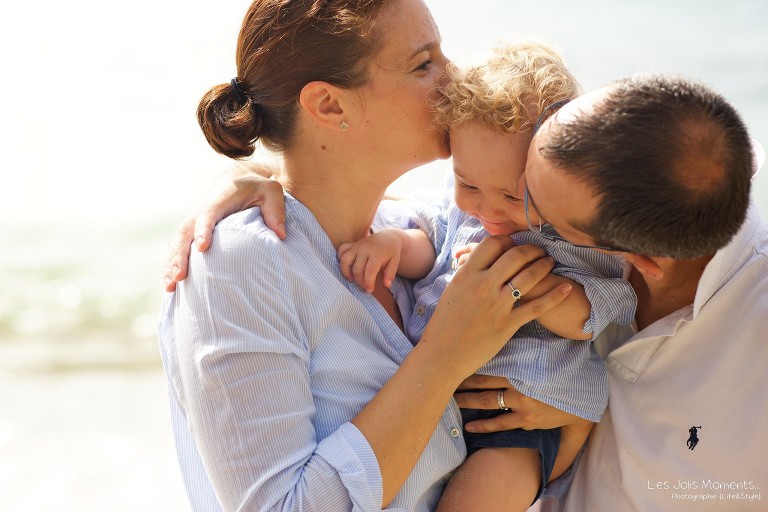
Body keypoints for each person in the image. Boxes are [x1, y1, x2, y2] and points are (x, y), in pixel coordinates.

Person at [166, 74, 768, 511]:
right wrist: (254, 175)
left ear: (637, 260)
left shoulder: (748, 345)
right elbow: (420, 213)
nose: (505, 220)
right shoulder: (638, 167)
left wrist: (579, 414)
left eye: (534, 207)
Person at [158, 1, 574, 511]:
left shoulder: (413, 234)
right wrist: (444, 358)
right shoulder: (241, 264)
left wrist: (568, 409)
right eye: (424, 63)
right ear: (329, 105)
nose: (457, 76)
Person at [335, 42, 636, 511]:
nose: (488, 209)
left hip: (521, 419)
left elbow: (585, 318)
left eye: (514, 196)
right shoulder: (460, 209)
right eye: (468, 184)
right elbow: (429, 244)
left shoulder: (570, 237)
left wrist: (527, 284)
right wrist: (393, 245)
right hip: (433, 403)